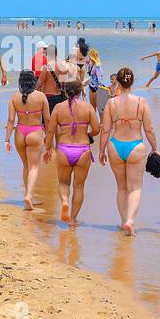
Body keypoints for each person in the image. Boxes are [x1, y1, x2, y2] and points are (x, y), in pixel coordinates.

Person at [100, 67, 157, 236]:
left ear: (117, 81)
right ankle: (130, 221)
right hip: (135, 146)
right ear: (132, 81)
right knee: (135, 188)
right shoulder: (141, 102)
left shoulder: (111, 103)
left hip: (115, 146)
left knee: (121, 187)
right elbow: (150, 129)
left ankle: (123, 220)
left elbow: (105, 129)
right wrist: (155, 148)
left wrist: (101, 150)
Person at [44, 81, 100, 227]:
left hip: (63, 149)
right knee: (79, 186)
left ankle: (64, 202)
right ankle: (73, 219)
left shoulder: (58, 108)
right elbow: (96, 129)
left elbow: (50, 131)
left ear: (65, 91)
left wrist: (47, 149)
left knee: (63, 183)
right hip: (82, 150)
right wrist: (87, 134)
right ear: (81, 91)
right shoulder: (87, 107)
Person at [4, 69, 49, 211]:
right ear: (33, 82)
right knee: (34, 167)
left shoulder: (14, 97)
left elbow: (11, 120)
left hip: (20, 133)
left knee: (26, 166)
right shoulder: (41, 96)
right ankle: (29, 196)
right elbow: (47, 119)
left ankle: (28, 195)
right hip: (35, 132)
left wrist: (7, 140)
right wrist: (49, 137)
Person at [32, 39, 62, 110]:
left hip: (48, 97)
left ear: (47, 54)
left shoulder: (45, 67)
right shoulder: (62, 66)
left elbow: (39, 83)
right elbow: (65, 84)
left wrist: (33, 96)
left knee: (46, 119)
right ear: (56, 54)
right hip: (59, 96)